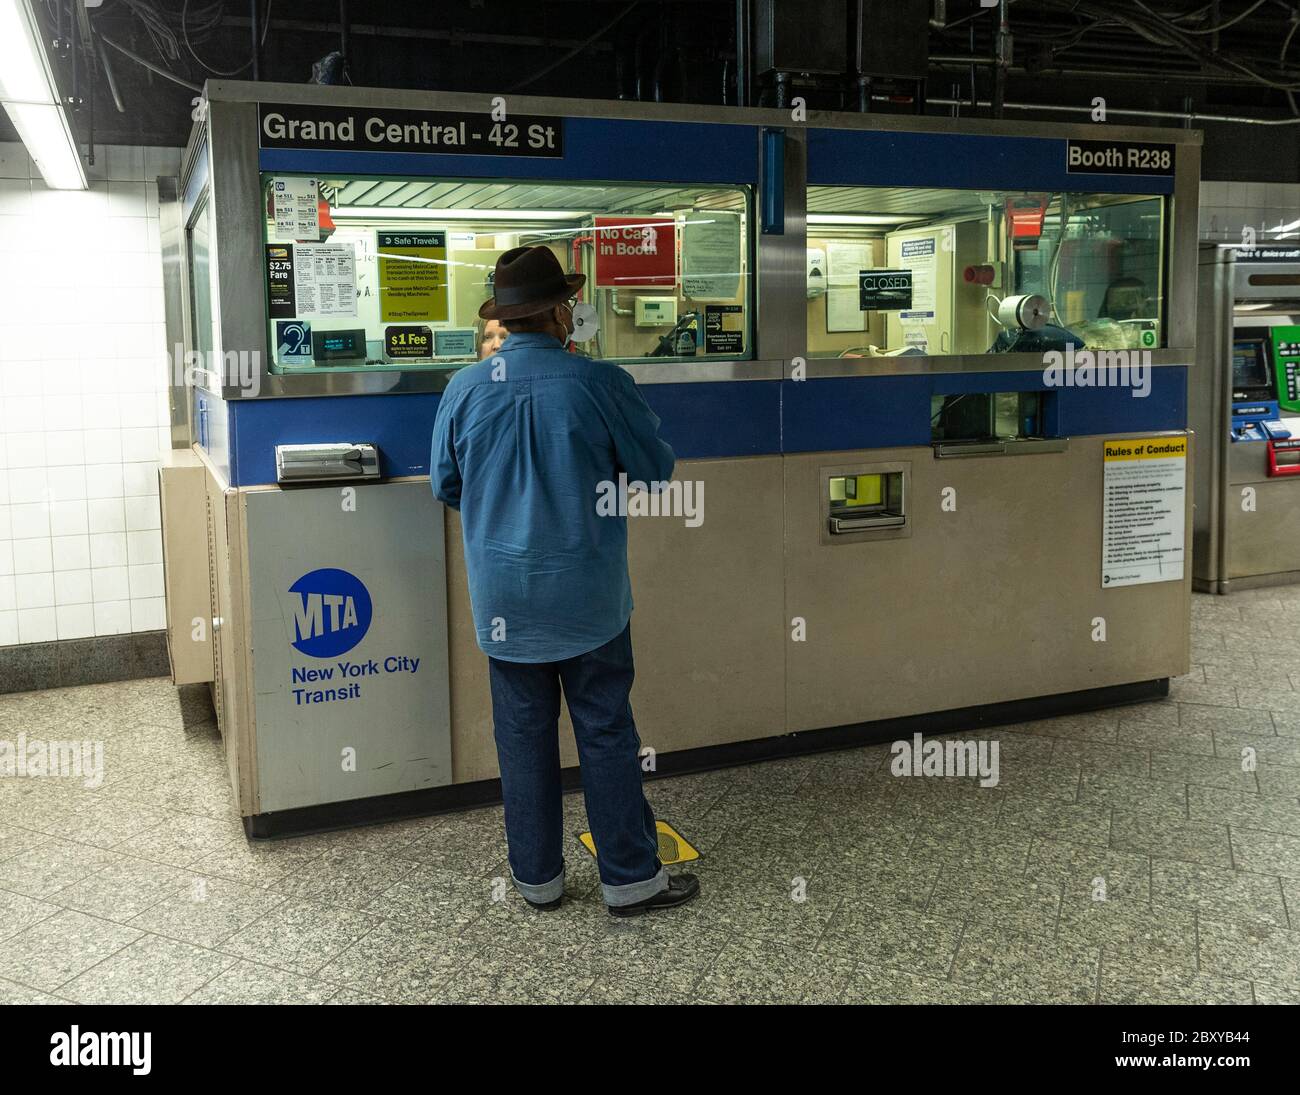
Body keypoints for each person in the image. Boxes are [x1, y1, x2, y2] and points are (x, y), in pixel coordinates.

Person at [431, 245, 699, 918]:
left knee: (521, 736)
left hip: (504, 601)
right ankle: (631, 879)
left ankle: (538, 880)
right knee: (605, 728)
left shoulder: (463, 389)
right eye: (569, 304)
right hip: (588, 597)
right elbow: (655, 470)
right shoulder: (601, 383)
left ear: (508, 319)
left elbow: (447, 484)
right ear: (558, 312)